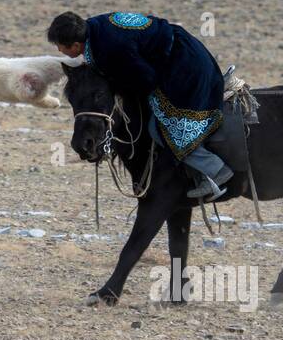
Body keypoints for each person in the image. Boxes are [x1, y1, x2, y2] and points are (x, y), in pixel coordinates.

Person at [48, 11, 232, 200]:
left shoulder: (108, 49)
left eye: (60, 47)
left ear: (76, 45)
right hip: (180, 52)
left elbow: (147, 81)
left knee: (165, 128)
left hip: (186, 68)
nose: (60, 51)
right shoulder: (94, 27)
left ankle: (215, 170)